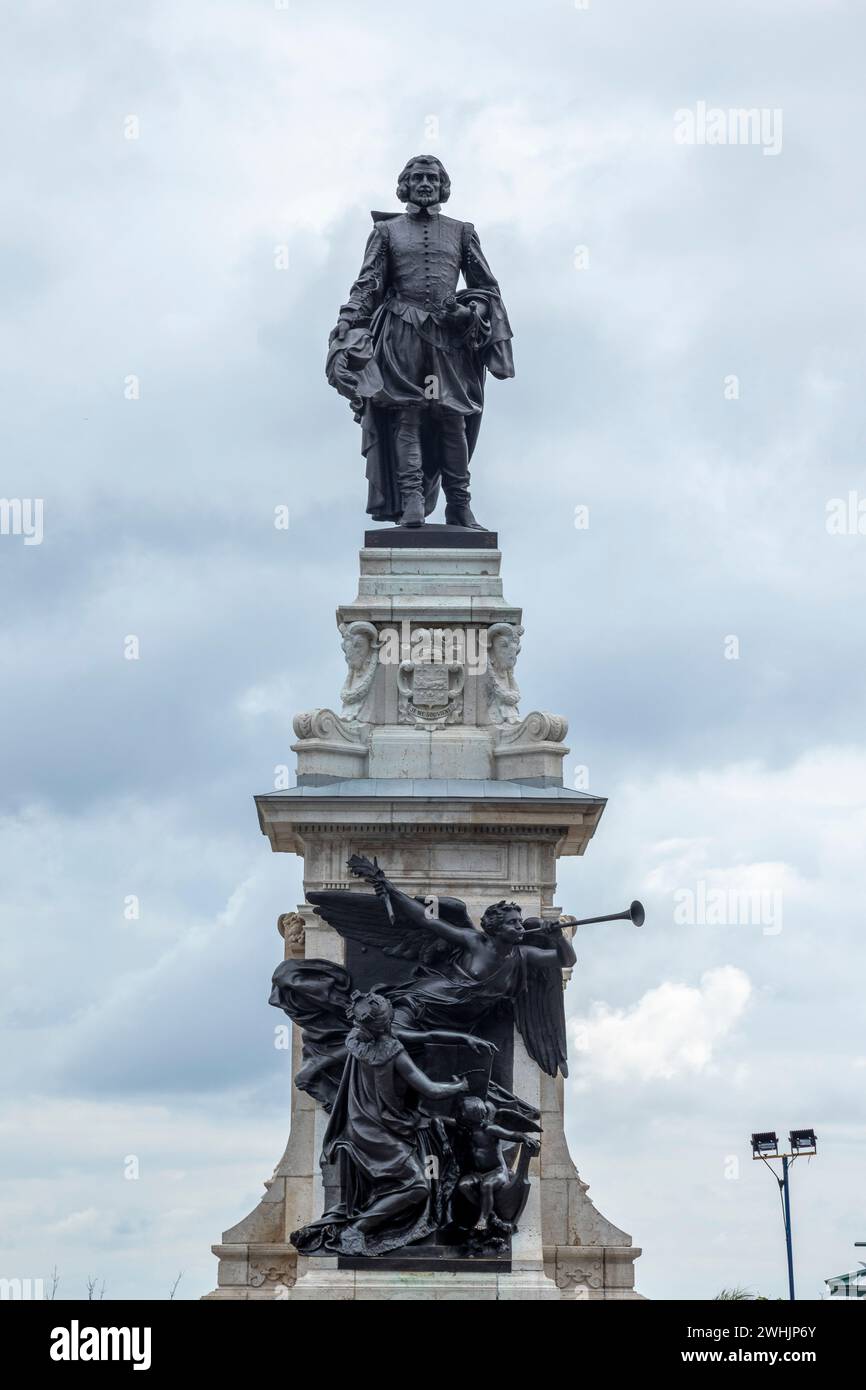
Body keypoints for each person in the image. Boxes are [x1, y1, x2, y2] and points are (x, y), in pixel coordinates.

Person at [326, 154, 514, 529]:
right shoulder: (387, 232)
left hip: (448, 339)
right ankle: (412, 500)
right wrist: (348, 320)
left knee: (452, 418)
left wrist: (471, 312)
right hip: (402, 332)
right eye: (417, 178)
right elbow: (368, 284)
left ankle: (459, 505)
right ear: (405, 187)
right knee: (406, 416)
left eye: (431, 177)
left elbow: (486, 288)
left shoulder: (462, 231)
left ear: (442, 185)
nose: (425, 183)